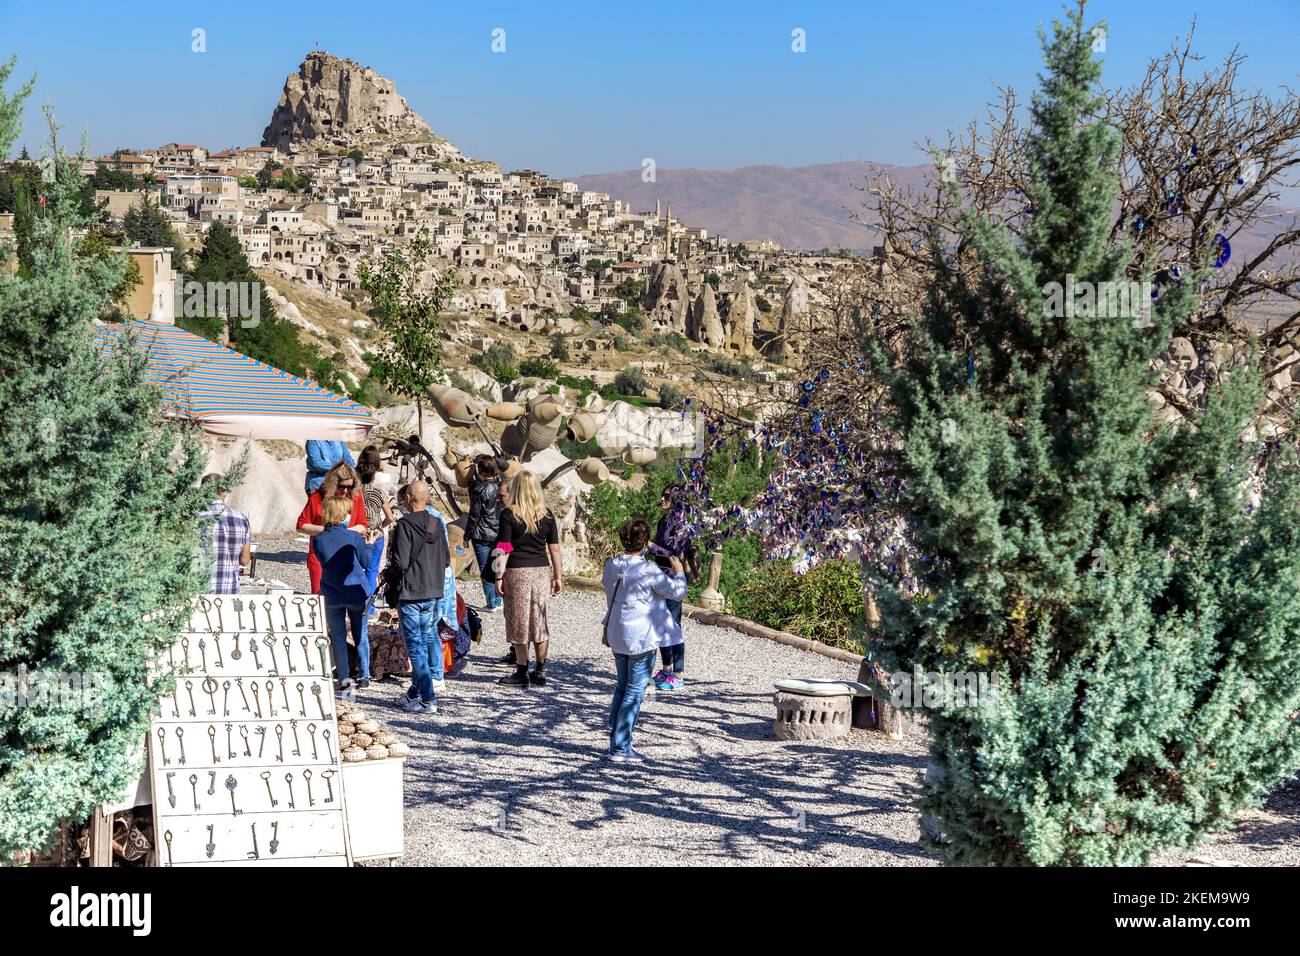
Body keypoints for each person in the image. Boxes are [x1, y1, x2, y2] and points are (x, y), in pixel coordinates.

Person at [602, 518, 686, 763]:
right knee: (635, 689)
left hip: (616, 631)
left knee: (621, 684)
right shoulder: (647, 570)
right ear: (645, 543)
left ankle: (615, 732)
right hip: (640, 635)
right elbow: (677, 592)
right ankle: (620, 746)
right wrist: (679, 573)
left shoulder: (612, 565)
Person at [494, 471, 562, 689]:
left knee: (519, 620)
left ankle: (522, 671)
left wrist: (498, 575)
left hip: (517, 571)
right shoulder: (547, 515)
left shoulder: (509, 514)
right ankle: (540, 671)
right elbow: (554, 549)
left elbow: (503, 548)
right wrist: (558, 576)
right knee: (538, 619)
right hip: (541, 570)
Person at [389, 481, 452, 714]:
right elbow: (446, 560)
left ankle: (428, 699)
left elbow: (401, 562)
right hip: (433, 592)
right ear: (427, 499)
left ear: (407, 499)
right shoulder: (437, 523)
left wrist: (389, 574)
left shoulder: (404, 525)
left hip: (412, 591)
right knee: (425, 641)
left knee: (415, 647)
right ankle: (414, 693)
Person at [312, 495, 373, 698]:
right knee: (360, 634)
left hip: (332, 592)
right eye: (347, 512)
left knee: (337, 637)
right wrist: (370, 545)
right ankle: (365, 675)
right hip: (356, 591)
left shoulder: (318, 539)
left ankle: (345, 678)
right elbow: (366, 562)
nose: (349, 515)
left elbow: (323, 560)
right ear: (341, 514)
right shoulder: (353, 536)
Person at [651, 483, 700, 690]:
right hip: (661, 577)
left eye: (667, 497)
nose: (662, 499)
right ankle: (666, 668)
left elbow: (675, 554)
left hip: (673, 579)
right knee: (661, 625)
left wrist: (652, 547)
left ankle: (678, 673)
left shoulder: (681, 524)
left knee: (673, 626)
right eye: (662, 496)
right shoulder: (665, 520)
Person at [297, 463, 367, 595]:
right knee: (320, 598)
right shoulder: (317, 497)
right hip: (320, 557)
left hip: (346, 557)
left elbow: (363, 525)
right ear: (333, 483)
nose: (345, 491)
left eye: (349, 487)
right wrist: (328, 531)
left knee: (345, 600)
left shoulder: (356, 498)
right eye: (342, 487)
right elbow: (301, 526)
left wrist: (344, 533)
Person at [466, 454, 508, 613]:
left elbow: (474, 515)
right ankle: (501, 599)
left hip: (482, 534)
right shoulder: (501, 487)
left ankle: (492, 603)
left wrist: (467, 535)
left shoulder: (479, 489)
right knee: (499, 566)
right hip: (500, 531)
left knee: (485, 569)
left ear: (480, 471)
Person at [197, 473, 251, 594]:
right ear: (224, 492)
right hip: (229, 590)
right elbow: (244, 560)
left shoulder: (192, 517)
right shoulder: (242, 519)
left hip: (198, 590)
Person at [357, 446, 396, 599]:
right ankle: (370, 606)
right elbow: (390, 516)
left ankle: (357, 601)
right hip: (377, 534)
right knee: (372, 570)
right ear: (373, 477)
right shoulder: (378, 493)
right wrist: (381, 526)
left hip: (360, 533)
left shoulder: (355, 493)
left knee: (358, 568)